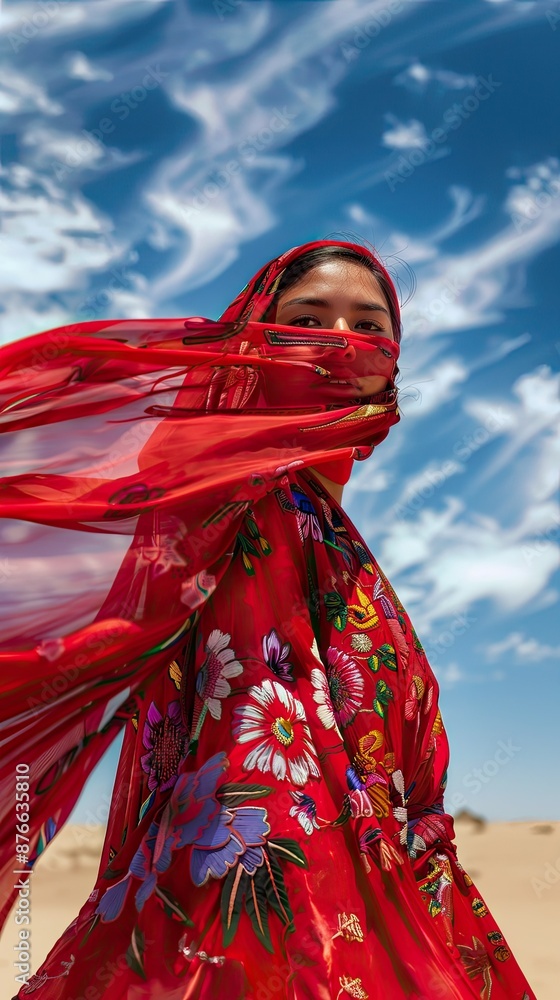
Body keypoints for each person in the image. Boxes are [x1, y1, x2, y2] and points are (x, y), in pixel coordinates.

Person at [0, 240, 535, 999]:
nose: (340, 343)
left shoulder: (332, 537)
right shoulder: (243, 507)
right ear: (253, 347)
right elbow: (256, 764)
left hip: (394, 904)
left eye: (367, 326)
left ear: (393, 363)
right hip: (276, 914)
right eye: (307, 322)